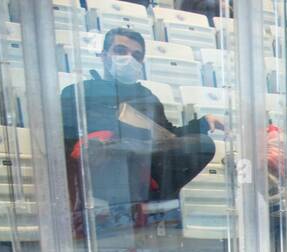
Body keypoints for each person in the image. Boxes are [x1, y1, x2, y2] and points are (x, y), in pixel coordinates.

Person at [60, 28, 224, 232]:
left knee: (202, 143)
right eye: (120, 51)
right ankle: (125, 149)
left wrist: (201, 124)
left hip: (145, 164)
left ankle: (132, 154)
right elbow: (64, 142)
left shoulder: (147, 97)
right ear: (103, 56)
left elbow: (168, 135)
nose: (128, 58)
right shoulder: (78, 92)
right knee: (107, 148)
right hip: (102, 167)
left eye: (136, 55)